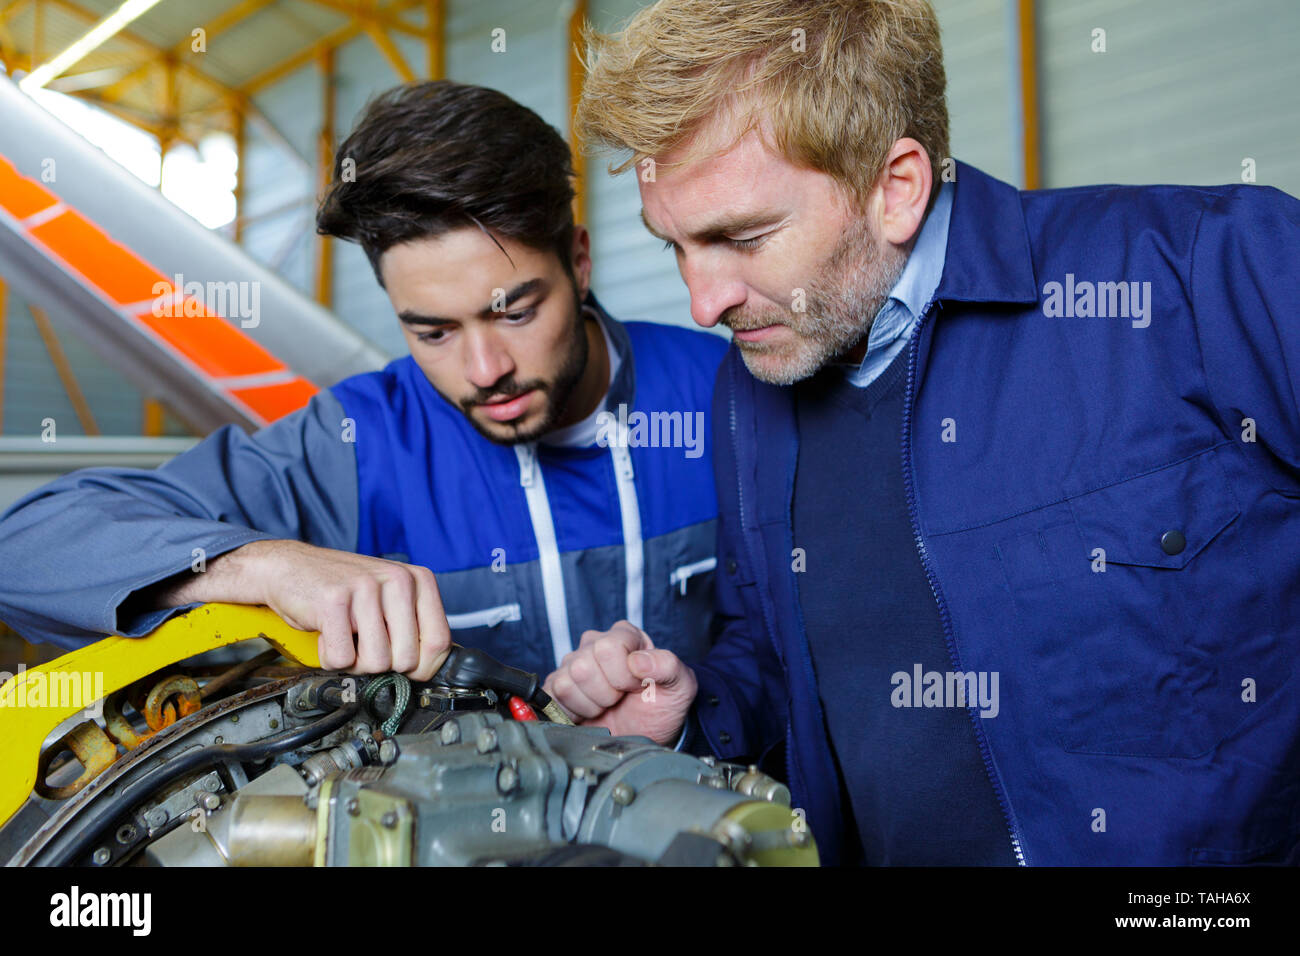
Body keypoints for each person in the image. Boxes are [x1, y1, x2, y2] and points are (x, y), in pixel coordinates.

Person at [542, 0, 1300, 865]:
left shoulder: (1209, 271)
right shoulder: (747, 390)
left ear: (895, 186)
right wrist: (696, 710)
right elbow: (777, 648)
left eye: (742, 237)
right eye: (672, 245)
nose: (701, 302)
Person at [0, 80, 727, 685]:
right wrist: (265, 566)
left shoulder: (724, 397)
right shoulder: (357, 443)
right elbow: (28, 548)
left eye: (515, 312)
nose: (484, 371)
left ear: (580, 260)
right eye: (431, 332)